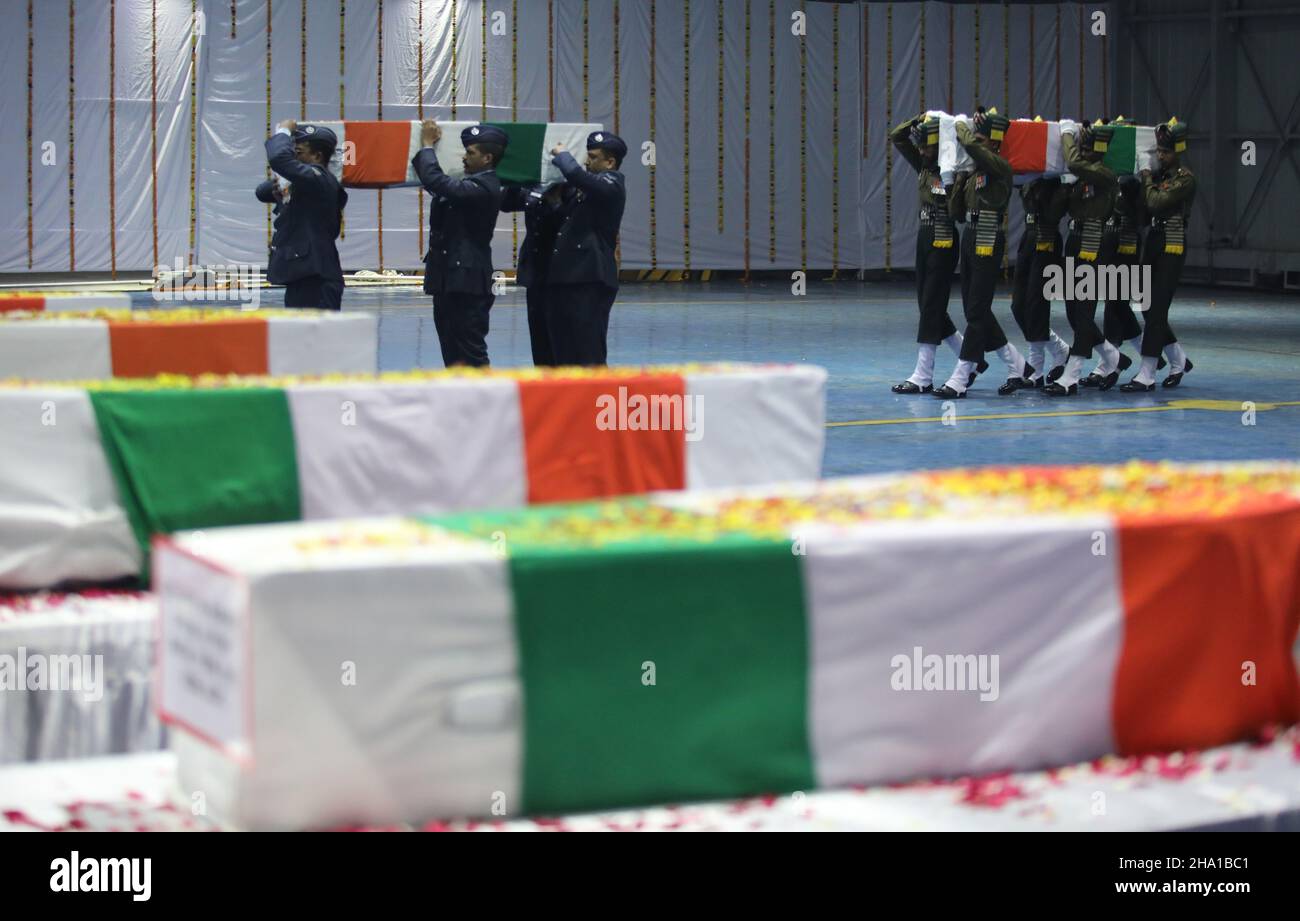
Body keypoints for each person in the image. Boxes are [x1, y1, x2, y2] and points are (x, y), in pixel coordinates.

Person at [934, 107, 1032, 399]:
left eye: (981, 138)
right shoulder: (975, 171)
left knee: (976, 310)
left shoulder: (1001, 167)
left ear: (994, 142)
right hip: (971, 235)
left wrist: (961, 128)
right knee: (973, 308)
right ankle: (1017, 365)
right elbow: (957, 213)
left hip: (989, 238)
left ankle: (962, 374)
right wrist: (954, 180)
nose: (975, 141)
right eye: (975, 136)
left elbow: (973, 149)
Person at [887, 113, 975, 394]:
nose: (922, 150)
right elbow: (897, 137)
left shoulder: (951, 169)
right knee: (928, 306)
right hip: (925, 235)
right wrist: (920, 118)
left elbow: (957, 209)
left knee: (931, 307)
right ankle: (970, 358)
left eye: (927, 145)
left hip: (944, 237)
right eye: (921, 144)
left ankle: (923, 375)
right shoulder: (924, 166)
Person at [412, 120, 507, 367]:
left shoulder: (485, 186)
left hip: (468, 283)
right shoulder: (468, 185)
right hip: (449, 280)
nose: (464, 157)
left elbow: (437, 182)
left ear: (487, 158)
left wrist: (427, 146)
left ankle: (485, 405)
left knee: (470, 351)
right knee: (451, 350)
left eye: (470, 153)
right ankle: (462, 403)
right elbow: (436, 185)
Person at [1045, 120, 1124, 395]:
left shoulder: (1104, 174)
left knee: (1084, 310)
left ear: (1099, 149)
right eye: (1082, 147)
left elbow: (1077, 164)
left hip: (1092, 244)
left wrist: (1066, 135)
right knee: (1072, 310)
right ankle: (1113, 358)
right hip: (1074, 241)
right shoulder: (1083, 177)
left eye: (1088, 148)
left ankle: (1072, 376)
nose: (1084, 152)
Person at [1120, 117, 1197, 392]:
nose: (1161, 156)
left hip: (1171, 244)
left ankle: (1148, 372)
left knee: (1156, 309)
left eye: (1165, 152)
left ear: (1178, 152)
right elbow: (1143, 210)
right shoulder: (1160, 176)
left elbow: (1156, 202)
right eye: (1159, 151)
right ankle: (1178, 359)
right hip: (1153, 240)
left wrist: (1145, 176)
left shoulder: (1185, 180)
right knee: (1146, 305)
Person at [544, 131, 628, 366]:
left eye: (592, 157)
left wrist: (562, 155)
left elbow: (574, 173)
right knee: (565, 349)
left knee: (588, 349)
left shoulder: (612, 184)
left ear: (609, 162)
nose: (586, 162)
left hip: (591, 278)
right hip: (569, 277)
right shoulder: (587, 191)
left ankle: (597, 401)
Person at [257, 121, 347, 310]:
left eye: (298, 153)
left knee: (319, 338)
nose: (293, 158)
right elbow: (262, 192)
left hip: (316, 277)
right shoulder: (304, 182)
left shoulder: (318, 179)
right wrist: (283, 179)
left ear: (317, 156)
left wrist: (283, 132)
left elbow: (279, 158)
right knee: (301, 337)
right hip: (303, 274)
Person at [1008, 170, 1072, 387]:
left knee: (1037, 305)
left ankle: (1036, 370)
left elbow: (1053, 214)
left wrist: (1060, 182)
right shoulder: (1029, 178)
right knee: (1018, 306)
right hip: (1029, 237)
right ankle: (1059, 349)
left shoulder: (1056, 182)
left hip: (1047, 239)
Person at [501, 182, 564, 366]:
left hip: (563, 271)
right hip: (536, 270)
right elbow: (505, 203)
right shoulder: (532, 186)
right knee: (540, 338)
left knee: (563, 341)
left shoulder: (571, 185)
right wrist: (517, 179)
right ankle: (545, 389)